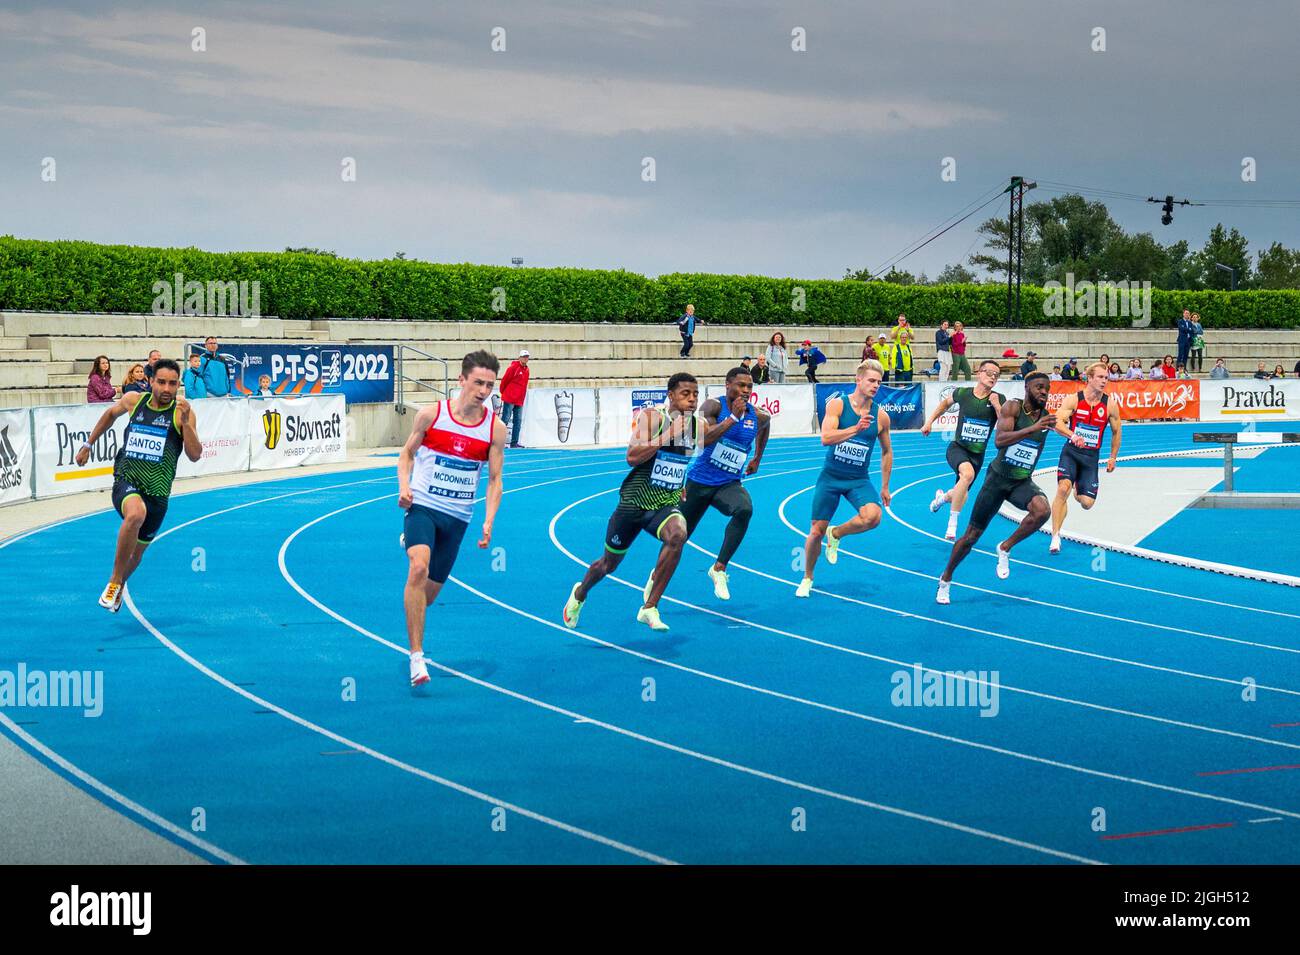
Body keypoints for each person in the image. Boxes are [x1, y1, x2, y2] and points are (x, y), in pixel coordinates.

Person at [398, 351, 508, 686]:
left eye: (489, 385)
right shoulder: (432, 415)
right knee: (418, 567)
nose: (483, 390)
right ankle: (417, 658)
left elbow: (494, 480)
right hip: (424, 507)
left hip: (457, 518)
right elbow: (406, 454)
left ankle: (413, 544)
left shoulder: (495, 429)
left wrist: (488, 521)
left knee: (427, 596)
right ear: (461, 380)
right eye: (478, 382)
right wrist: (404, 487)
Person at [563, 373, 700, 633]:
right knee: (607, 565)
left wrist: (679, 483)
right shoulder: (653, 418)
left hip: (663, 503)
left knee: (678, 534)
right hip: (633, 503)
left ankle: (649, 607)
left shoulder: (695, 425)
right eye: (685, 393)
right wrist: (669, 434)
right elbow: (632, 456)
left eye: (695, 394)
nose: (692, 399)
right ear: (671, 395)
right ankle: (580, 593)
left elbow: (682, 459)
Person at [75, 359, 203, 611]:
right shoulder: (135, 401)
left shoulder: (181, 413)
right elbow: (110, 414)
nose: (167, 388)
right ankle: (114, 580)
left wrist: (186, 422)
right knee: (135, 514)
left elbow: (195, 454)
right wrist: (88, 444)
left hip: (158, 493)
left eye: (173, 384)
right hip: (127, 479)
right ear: (151, 381)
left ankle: (121, 584)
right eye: (162, 382)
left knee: (137, 554)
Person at [935, 373, 1057, 603]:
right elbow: (1000, 441)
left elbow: (1062, 427)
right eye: (1039, 387)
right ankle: (946, 579)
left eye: (1047, 389)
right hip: (997, 480)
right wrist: (1032, 429)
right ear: (1027, 387)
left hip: (1020, 482)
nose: (1044, 392)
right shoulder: (1013, 407)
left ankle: (1005, 546)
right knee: (971, 537)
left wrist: (1077, 437)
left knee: (1042, 511)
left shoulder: (1046, 418)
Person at [794, 360, 893, 598]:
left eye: (879, 382)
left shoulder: (881, 416)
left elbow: (887, 451)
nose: (875, 385)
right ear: (858, 380)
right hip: (831, 477)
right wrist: (855, 429)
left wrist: (885, 486)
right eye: (871, 380)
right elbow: (826, 438)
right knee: (816, 531)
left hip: (858, 479)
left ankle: (837, 533)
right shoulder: (837, 405)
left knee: (874, 517)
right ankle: (807, 577)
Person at [672, 366, 771, 600]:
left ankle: (719, 569)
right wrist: (734, 417)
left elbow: (765, 426)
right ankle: (657, 576)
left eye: (750, 386)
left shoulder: (757, 415)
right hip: (699, 481)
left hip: (728, 483)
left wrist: (757, 457)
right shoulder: (713, 406)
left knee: (744, 509)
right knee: (677, 537)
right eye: (741, 385)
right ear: (728, 385)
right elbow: (704, 440)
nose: (746, 390)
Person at [920, 359, 1003, 541]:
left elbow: (1005, 425)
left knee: (961, 493)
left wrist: (997, 405)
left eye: (997, 375)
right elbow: (944, 405)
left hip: (977, 455)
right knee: (967, 475)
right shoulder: (963, 393)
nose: (993, 377)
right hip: (958, 448)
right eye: (989, 373)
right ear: (979, 373)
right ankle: (952, 525)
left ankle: (941, 499)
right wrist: (928, 422)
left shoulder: (998, 398)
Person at [1049, 362, 1123, 554]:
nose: (1104, 381)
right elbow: (1057, 422)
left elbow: (1116, 431)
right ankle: (1056, 536)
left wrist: (1112, 457)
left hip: (1091, 458)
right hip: (1071, 453)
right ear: (1089, 378)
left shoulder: (1110, 404)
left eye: (1106, 378)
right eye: (1100, 377)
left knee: (1086, 503)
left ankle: (1078, 487)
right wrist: (1073, 435)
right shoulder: (1074, 399)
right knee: (1062, 489)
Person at [499, 349, 530, 448]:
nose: (526, 358)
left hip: (519, 400)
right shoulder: (513, 368)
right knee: (505, 420)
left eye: (527, 357)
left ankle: (514, 442)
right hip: (510, 398)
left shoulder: (527, 370)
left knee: (518, 421)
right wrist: (504, 392)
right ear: (520, 357)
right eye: (524, 357)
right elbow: (504, 380)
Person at [889, 314, 915, 383]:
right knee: (900, 380)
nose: (902, 322)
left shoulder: (908, 328)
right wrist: (898, 328)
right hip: (898, 351)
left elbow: (913, 337)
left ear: (905, 320)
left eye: (903, 320)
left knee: (908, 379)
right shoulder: (895, 328)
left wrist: (908, 330)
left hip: (907, 349)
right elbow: (892, 337)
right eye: (900, 320)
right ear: (898, 321)